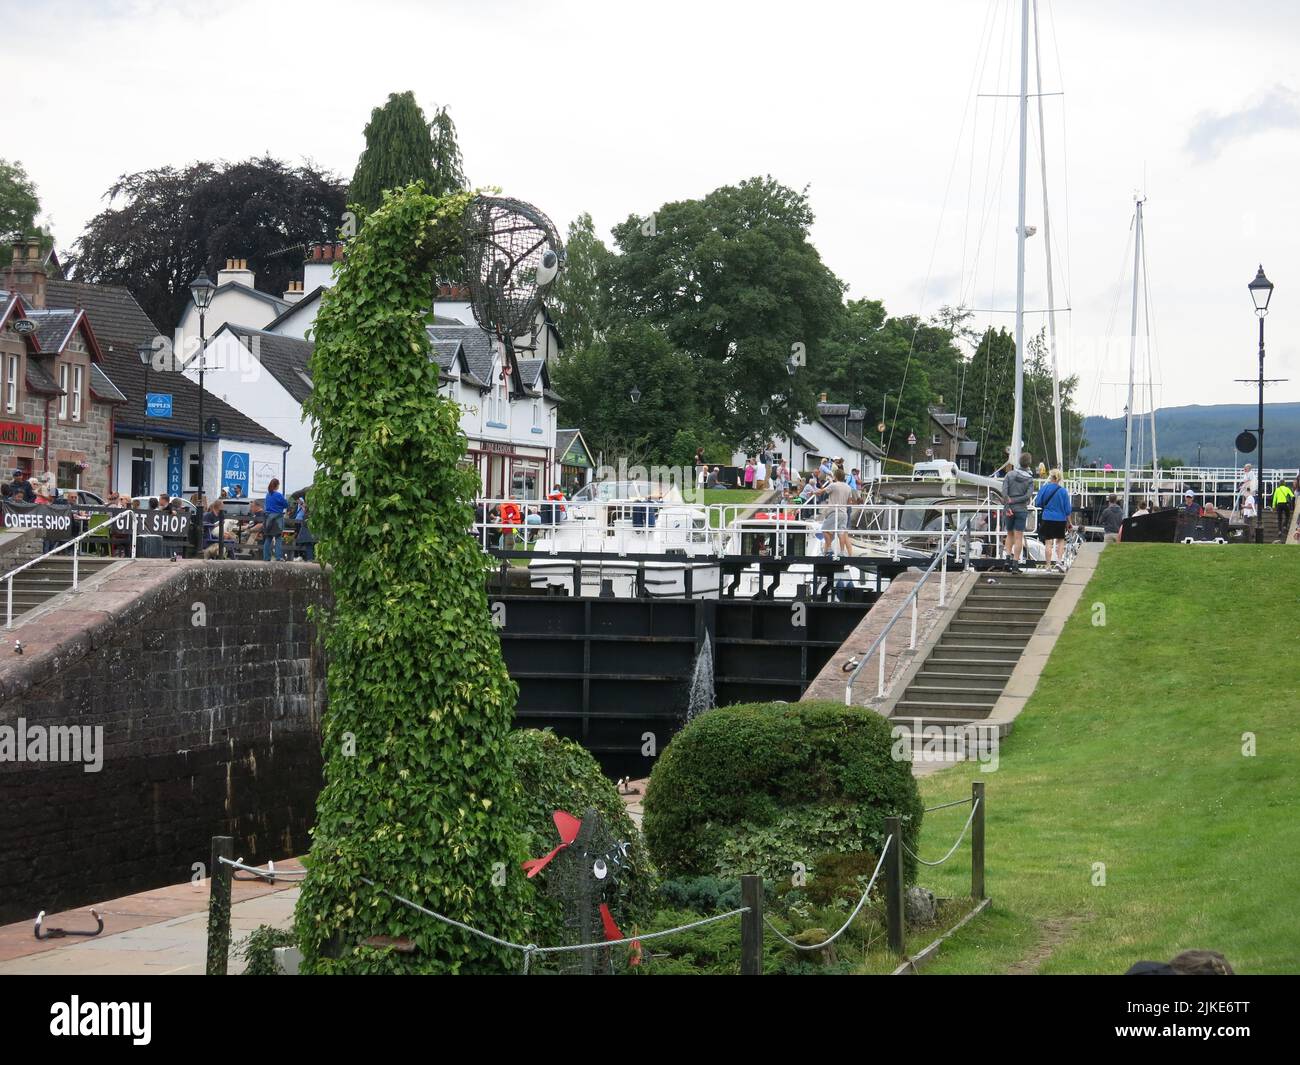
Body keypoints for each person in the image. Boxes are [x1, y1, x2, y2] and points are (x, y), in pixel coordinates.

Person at [1001, 452, 1034, 569]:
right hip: (1021, 509)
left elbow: (1004, 492)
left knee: (1009, 534)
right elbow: (1028, 495)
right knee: (1019, 537)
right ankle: (1015, 564)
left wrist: (1009, 502)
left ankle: (1007, 559)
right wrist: (1016, 500)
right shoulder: (1029, 479)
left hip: (1009, 509)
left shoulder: (1009, 475)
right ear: (1028, 464)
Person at [1035, 469, 1071, 571]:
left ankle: (1048, 566)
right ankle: (1059, 562)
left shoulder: (1044, 488)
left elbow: (1038, 503)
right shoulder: (1063, 491)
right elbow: (1067, 509)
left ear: (1051, 477)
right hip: (1060, 519)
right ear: (1059, 479)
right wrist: (1070, 523)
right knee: (1060, 541)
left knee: (1048, 543)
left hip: (1047, 518)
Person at [816, 468, 854, 557]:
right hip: (844, 513)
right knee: (841, 532)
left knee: (824, 529)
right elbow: (849, 502)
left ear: (835, 476)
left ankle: (829, 549)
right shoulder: (848, 487)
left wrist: (814, 492)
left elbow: (821, 492)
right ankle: (842, 552)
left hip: (834, 511)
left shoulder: (833, 485)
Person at [262, 478, 288, 561]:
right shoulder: (278, 495)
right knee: (278, 537)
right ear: (277, 485)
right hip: (277, 518)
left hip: (268, 518)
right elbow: (286, 504)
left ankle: (266, 557)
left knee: (268, 538)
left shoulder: (268, 495)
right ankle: (278, 557)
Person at [294, 495, 315, 561]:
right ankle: (306, 557)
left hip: (306, 527)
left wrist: (302, 505)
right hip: (306, 526)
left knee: (305, 541)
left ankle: (304, 557)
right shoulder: (307, 508)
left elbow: (306, 511)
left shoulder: (308, 508)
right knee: (307, 542)